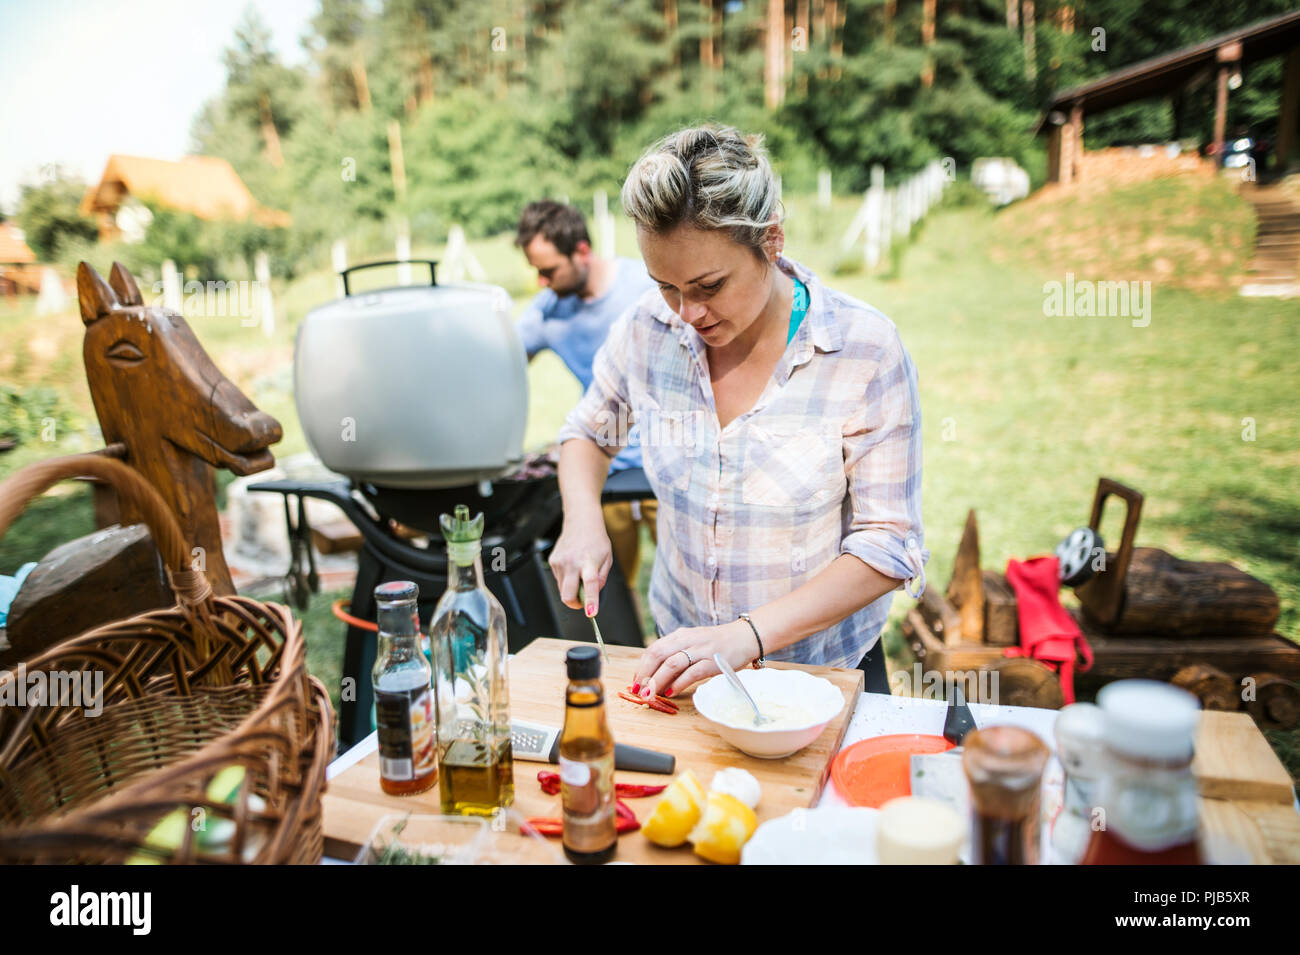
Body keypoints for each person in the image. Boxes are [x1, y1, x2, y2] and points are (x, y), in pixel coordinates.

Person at [549, 125, 927, 697]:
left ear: (771, 241)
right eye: (666, 286)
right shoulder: (646, 331)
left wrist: (746, 636)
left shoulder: (862, 350)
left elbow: (886, 544)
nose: (686, 313)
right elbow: (589, 432)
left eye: (708, 285)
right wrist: (581, 520)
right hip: (684, 670)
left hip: (823, 674)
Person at [514, 200, 659, 597]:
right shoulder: (547, 313)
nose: (541, 282)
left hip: (665, 467)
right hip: (605, 471)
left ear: (581, 250)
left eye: (548, 270)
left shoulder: (646, 289)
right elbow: (503, 364)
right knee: (609, 595)